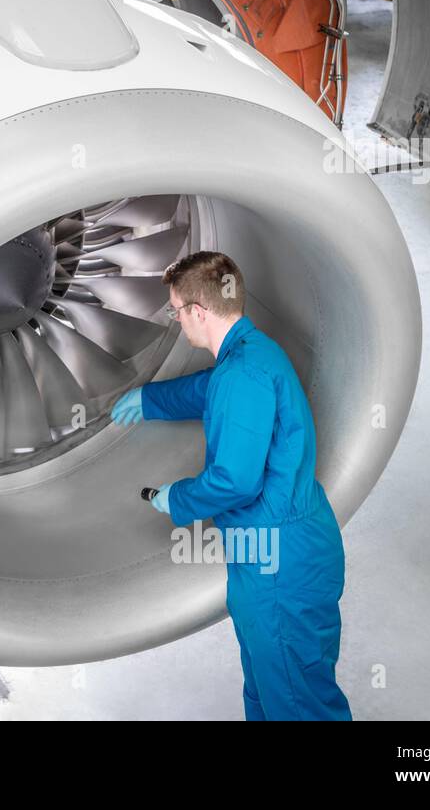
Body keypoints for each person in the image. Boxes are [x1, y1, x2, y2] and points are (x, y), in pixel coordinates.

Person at [111, 250, 351, 721]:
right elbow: (210, 389)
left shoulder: (242, 373)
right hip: (269, 555)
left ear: (198, 311)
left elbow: (236, 482)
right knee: (267, 693)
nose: (177, 320)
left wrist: (176, 498)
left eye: (176, 311)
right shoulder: (251, 353)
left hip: (279, 564)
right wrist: (151, 398)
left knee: (298, 705)